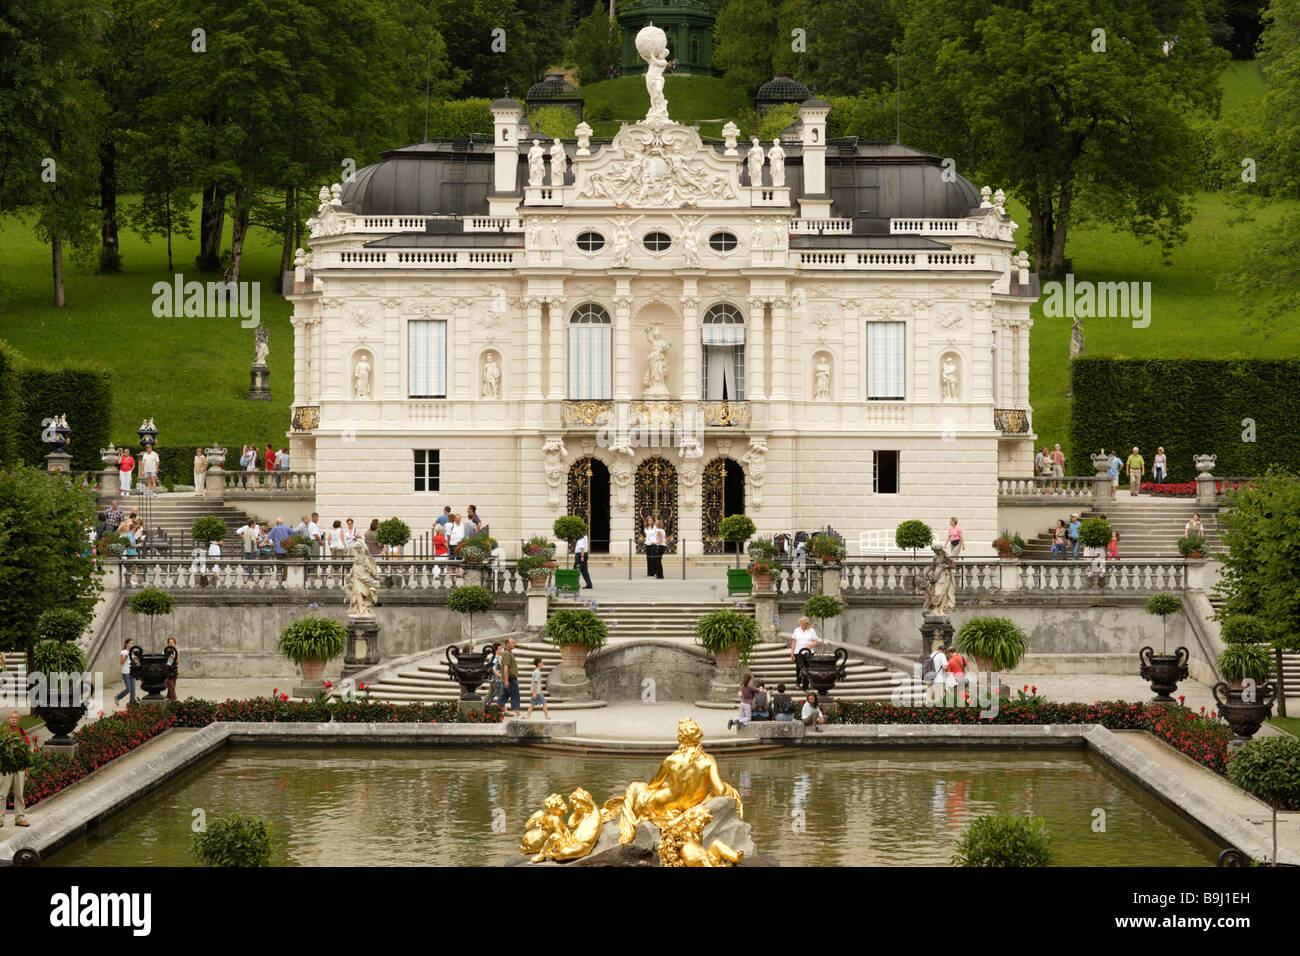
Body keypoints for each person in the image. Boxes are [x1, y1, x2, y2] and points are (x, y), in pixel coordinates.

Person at [0, 711, 32, 827]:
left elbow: (27, 751)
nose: (13, 720)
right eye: (11, 718)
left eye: (16, 718)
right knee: (2, 793)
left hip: (20, 767)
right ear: (8, 719)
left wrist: (27, 769)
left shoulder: (22, 733)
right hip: (6, 767)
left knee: (19, 793)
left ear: (19, 720)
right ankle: (0, 818)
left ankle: (20, 818)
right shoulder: (3, 733)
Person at [499, 636, 521, 716]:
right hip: (510, 679)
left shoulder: (508, 652)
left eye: (514, 642)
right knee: (515, 695)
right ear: (507, 644)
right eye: (512, 642)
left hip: (510, 679)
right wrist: (506, 680)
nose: (514, 644)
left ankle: (494, 710)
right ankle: (518, 714)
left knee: (504, 696)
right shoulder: (507, 653)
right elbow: (505, 667)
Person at [114, 638, 136, 707]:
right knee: (128, 689)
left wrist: (135, 661)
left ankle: (131, 704)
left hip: (132, 672)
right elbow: (121, 662)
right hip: (126, 673)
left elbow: (135, 662)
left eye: (132, 643)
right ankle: (117, 697)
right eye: (130, 643)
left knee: (133, 690)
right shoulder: (123, 652)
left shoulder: (133, 653)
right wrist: (125, 657)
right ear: (126, 644)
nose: (132, 645)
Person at [484, 642, 504, 709]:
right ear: (496, 650)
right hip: (496, 680)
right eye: (500, 648)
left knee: (489, 696)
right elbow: (493, 669)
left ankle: (479, 706)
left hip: (495, 680)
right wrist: (500, 675)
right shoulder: (495, 658)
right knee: (501, 696)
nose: (501, 649)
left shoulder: (499, 657)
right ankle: (503, 710)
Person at [165, 637, 180, 701]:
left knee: (172, 686)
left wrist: (173, 656)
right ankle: (174, 699)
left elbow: (177, 661)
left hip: (174, 669)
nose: (171, 643)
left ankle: (168, 699)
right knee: (171, 686)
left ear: (175, 643)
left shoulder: (176, 651)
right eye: (170, 642)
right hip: (167, 669)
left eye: (172, 642)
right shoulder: (165, 650)